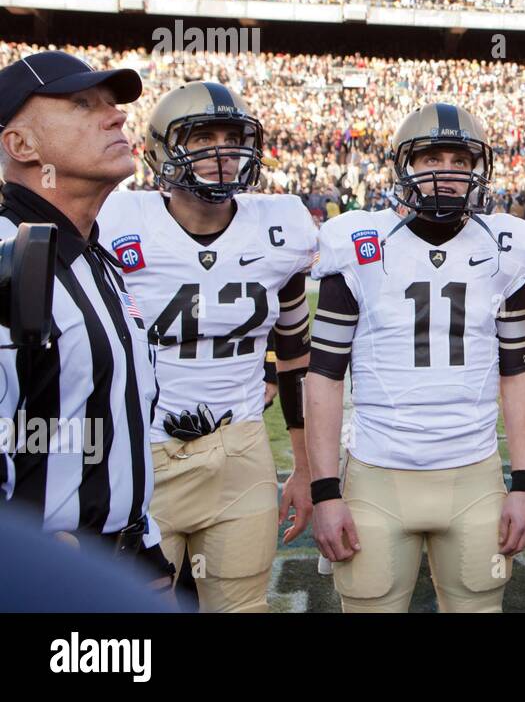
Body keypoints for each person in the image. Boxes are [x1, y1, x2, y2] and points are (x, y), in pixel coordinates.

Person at [304, 103, 525, 612]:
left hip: (474, 473)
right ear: (403, 166)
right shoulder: (359, 243)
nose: (448, 173)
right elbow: (323, 376)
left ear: (480, 169)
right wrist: (325, 491)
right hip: (377, 474)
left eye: (461, 161)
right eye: (433, 158)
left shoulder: (507, 246)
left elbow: (518, 372)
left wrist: (524, 481)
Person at [96, 81, 317, 612]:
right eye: (200, 138)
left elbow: (294, 358)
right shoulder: (114, 221)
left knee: (241, 605)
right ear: (160, 152)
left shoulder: (282, 226)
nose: (221, 152)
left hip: (240, 448)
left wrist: (306, 469)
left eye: (232, 136)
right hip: (140, 453)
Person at [0, 51, 171, 588]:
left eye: (112, 105)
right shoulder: (7, 260)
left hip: (126, 560)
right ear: (22, 145)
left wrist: (148, 556)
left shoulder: (97, 259)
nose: (117, 116)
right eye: (81, 103)